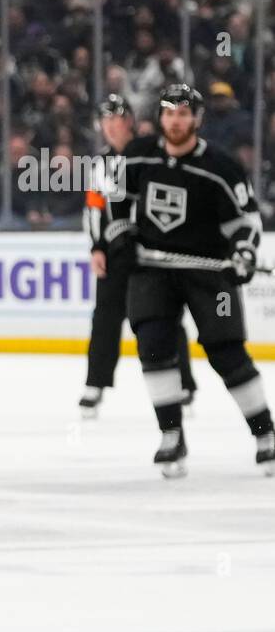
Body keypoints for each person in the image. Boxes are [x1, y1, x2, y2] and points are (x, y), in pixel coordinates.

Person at [106, 84, 273, 477]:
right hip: (152, 270)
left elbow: (245, 222)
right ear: (161, 117)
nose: (175, 121)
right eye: (168, 113)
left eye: (183, 114)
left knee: (227, 352)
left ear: (196, 119)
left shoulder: (221, 167)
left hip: (208, 272)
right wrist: (122, 238)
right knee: (154, 348)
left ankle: (265, 434)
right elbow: (117, 203)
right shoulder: (137, 156)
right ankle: (171, 435)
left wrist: (243, 255)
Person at [80, 94, 195, 417]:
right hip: (116, 254)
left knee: (164, 316)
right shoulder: (99, 165)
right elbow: (93, 210)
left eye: (117, 120)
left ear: (129, 121)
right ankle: (95, 383)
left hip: (150, 250)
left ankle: (183, 382)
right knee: (105, 318)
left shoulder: (149, 154)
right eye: (106, 122)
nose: (112, 127)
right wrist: (96, 247)